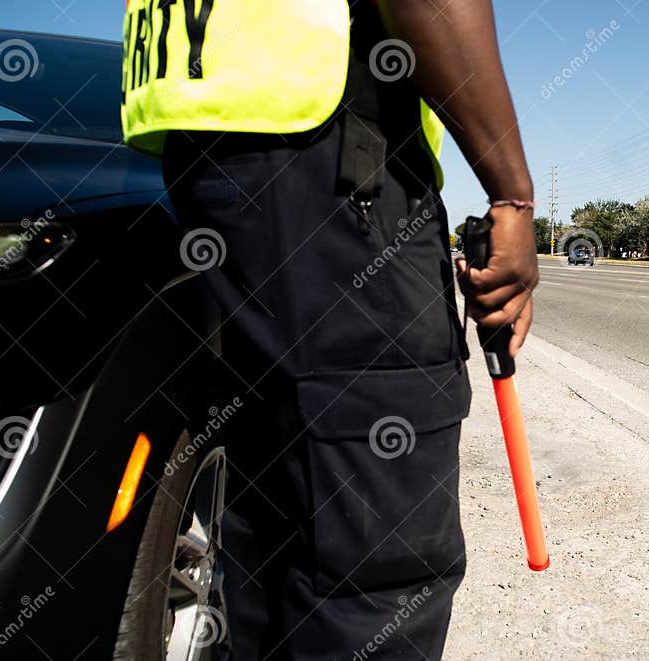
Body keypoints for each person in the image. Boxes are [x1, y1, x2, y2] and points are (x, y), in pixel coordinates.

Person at [121, 0, 539, 658]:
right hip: (341, 173)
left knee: (269, 547)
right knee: (377, 576)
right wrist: (512, 192)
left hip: (216, 173)